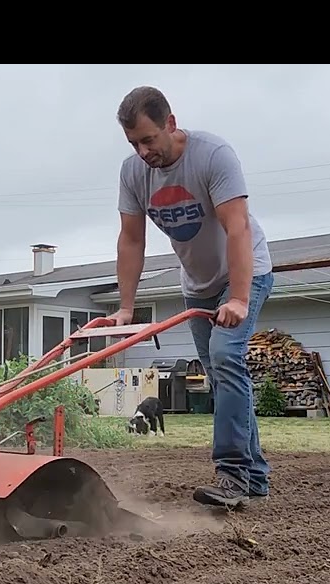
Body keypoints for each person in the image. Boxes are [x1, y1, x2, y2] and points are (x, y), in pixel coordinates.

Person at [110, 85, 275, 509]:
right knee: (222, 373)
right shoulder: (133, 173)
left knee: (224, 357)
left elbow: (236, 227)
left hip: (245, 274)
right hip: (197, 285)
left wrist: (238, 298)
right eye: (134, 143)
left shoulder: (213, 155)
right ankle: (255, 478)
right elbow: (131, 241)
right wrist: (127, 308)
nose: (143, 151)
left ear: (170, 123)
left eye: (148, 139)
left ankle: (234, 475)